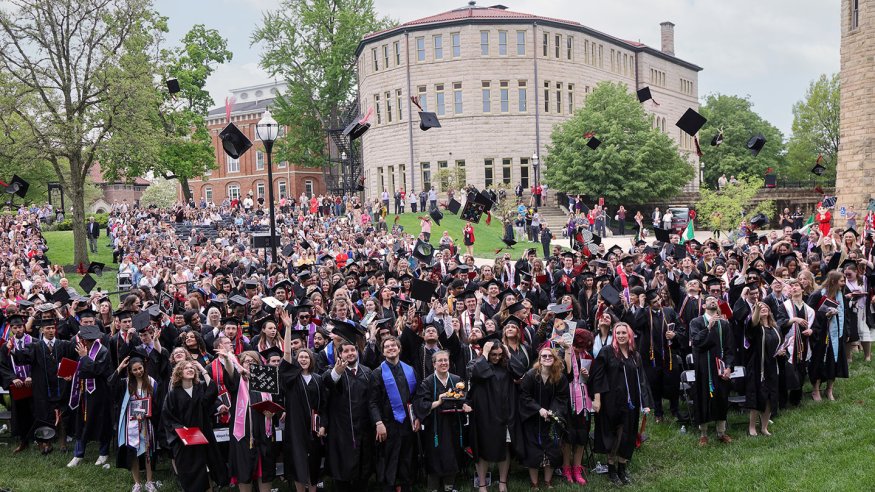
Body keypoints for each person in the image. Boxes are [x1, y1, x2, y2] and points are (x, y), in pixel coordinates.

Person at [590, 322, 652, 486]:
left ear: (629, 335)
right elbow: (597, 376)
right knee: (613, 435)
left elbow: (642, 380)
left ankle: (622, 468)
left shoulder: (635, 355)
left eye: (624, 333)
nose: (621, 335)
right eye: (618, 333)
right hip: (611, 401)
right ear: (614, 335)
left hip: (630, 402)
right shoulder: (607, 352)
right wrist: (597, 399)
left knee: (628, 435)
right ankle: (611, 468)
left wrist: (645, 402)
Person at [162, 359, 229, 491]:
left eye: (192, 368)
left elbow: (212, 391)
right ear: (179, 373)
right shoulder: (173, 393)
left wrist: (203, 370)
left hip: (203, 435)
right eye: (186, 368)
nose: (190, 369)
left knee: (207, 469)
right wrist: (181, 429)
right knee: (191, 473)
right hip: (184, 439)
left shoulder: (201, 387)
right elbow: (168, 416)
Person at [464, 338, 514, 492]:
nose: (497, 357)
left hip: (504, 412)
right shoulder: (475, 364)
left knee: (505, 446)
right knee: (482, 447)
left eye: (500, 354)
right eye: (493, 354)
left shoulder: (505, 366)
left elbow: (520, 371)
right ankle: (482, 484)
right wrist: (484, 353)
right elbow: (479, 374)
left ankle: (502, 482)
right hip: (484, 413)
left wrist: (508, 353)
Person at [369, 336, 419, 491]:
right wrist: (378, 423)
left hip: (407, 425)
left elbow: (416, 397)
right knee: (388, 462)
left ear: (399, 349)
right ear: (383, 352)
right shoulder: (377, 373)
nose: (391, 348)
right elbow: (372, 402)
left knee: (407, 460)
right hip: (388, 424)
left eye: (394, 346)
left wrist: (417, 417)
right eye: (387, 347)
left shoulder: (410, 370)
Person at [412, 350, 466, 492]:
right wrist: (439, 401)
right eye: (440, 361)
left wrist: (465, 405)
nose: (443, 363)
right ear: (434, 364)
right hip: (435, 426)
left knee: (452, 454)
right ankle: (433, 488)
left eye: (445, 360)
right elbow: (421, 405)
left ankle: (449, 486)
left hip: (453, 423)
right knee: (435, 456)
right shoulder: (428, 382)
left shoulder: (456, 379)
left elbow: (463, 398)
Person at [279, 337, 326, 492]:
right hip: (296, 426)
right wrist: (287, 328)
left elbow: (324, 405)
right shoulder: (291, 378)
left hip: (314, 427)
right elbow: (286, 353)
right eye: (301, 357)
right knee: (297, 462)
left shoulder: (318, 379)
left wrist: (323, 425)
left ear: (311, 360)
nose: (304, 359)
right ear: (296, 360)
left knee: (313, 462)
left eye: (307, 357)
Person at [689, 295, 735, 446]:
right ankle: (703, 433)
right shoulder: (696, 322)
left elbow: (729, 349)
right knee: (703, 399)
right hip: (703, 369)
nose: (712, 301)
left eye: (715, 299)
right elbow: (696, 342)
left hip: (720, 369)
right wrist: (708, 327)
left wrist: (728, 367)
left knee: (721, 398)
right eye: (709, 299)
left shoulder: (724, 324)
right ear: (703, 306)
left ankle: (721, 432)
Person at [110, 353, 161, 492]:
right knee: (133, 453)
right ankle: (137, 483)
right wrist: (119, 368)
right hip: (130, 424)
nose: (139, 372)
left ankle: (150, 482)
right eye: (135, 370)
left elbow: (157, 403)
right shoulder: (125, 383)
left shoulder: (152, 382)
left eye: (140, 368)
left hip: (147, 422)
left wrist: (148, 414)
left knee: (148, 452)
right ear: (130, 371)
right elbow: (110, 385)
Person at [67, 325, 114, 468]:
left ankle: (103, 453)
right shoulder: (81, 349)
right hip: (84, 393)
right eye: (84, 340)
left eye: (88, 340)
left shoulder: (103, 351)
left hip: (100, 394)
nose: (85, 342)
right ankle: (78, 454)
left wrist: (84, 357)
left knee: (102, 422)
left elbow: (97, 370)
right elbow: (78, 368)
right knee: (81, 423)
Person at [807, 270, 849, 401]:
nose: (844, 283)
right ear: (833, 281)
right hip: (821, 335)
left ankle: (829, 389)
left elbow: (845, 314)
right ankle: (815, 390)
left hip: (837, 334)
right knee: (819, 361)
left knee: (834, 362)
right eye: (842, 281)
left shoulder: (840, 295)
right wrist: (825, 315)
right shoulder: (818, 294)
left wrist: (846, 331)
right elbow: (809, 313)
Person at [745, 302, 783, 436]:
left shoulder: (775, 328)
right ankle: (752, 427)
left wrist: (782, 352)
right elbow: (753, 322)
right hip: (757, 366)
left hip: (772, 366)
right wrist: (756, 309)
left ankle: (764, 427)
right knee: (757, 396)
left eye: (765, 308)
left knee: (769, 397)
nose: (763, 309)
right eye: (760, 309)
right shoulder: (756, 328)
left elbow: (780, 344)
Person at [561, 329, 594, 485]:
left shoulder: (587, 356)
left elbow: (592, 380)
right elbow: (566, 374)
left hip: (584, 400)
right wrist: (568, 352)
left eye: (584, 347)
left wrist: (587, 376)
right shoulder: (561, 354)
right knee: (568, 437)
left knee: (582, 436)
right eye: (579, 346)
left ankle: (577, 467)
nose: (581, 350)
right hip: (567, 400)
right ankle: (566, 467)